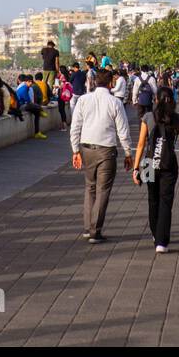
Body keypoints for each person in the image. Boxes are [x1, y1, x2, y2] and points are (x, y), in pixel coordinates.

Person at [68, 68, 132, 243]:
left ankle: (88, 228)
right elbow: (123, 130)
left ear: (94, 82)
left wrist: (75, 150)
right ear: (111, 83)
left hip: (86, 148)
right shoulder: (115, 102)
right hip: (106, 150)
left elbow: (75, 127)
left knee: (90, 187)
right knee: (103, 190)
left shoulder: (83, 100)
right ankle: (95, 230)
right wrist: (128, 152)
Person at [131, 86, 179, 253]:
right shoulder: (177, 118)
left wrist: (136, 168)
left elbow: (141, 144)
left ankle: (154, 232)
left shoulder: (148, 117)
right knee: (166, 201)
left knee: (153, 199)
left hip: (150, 163)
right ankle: (161, 242)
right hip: (168, 164)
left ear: (156, 100)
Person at [16, 74, 47, 140]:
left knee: (37, 113)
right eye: (29, 82)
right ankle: (41, 110)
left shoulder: (27, 88)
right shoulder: (23, 89)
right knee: (31, 105)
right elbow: (28, 101)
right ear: (26, 82)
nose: (30, 83)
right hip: (21, 106)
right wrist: (38, 107)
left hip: (25, 105)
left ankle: (37, 132)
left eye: (31, 82)